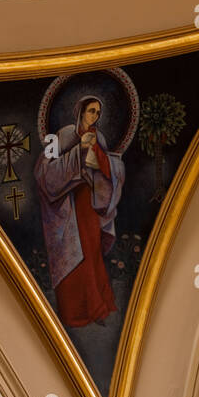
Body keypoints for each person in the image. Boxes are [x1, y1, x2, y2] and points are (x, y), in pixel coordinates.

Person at [34, 95, 123, 327]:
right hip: (68, 205)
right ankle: (75, 313)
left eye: (98, 112)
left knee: (91, 253)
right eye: (91, 111)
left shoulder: (98, 137)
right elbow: (44, 170)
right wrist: (78, 152)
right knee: (74, 255)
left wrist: (99, 159)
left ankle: (98, 308)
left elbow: (106, 169)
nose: (94, 116)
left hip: (89, 202)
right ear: (81, 111)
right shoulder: (62, 135)